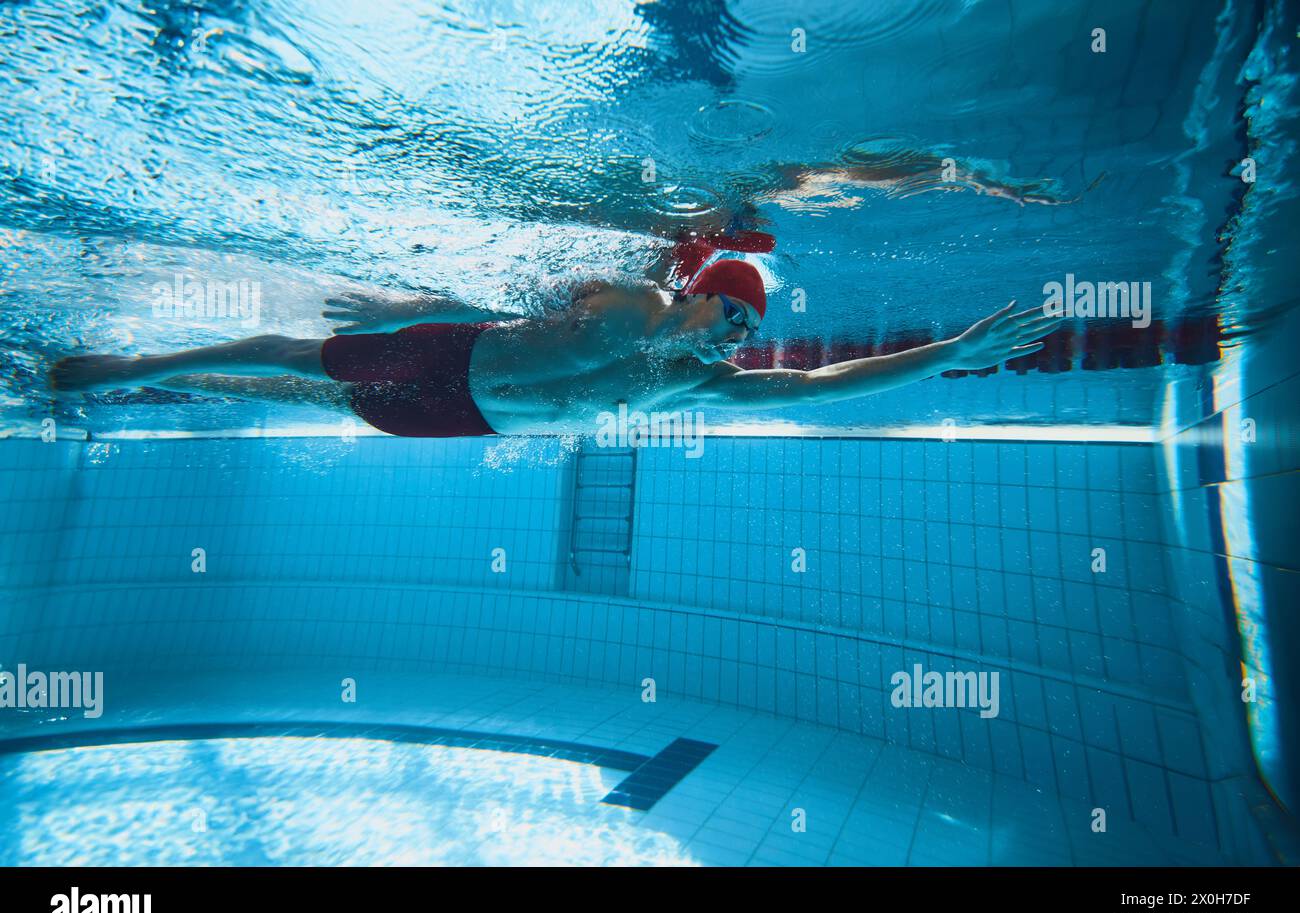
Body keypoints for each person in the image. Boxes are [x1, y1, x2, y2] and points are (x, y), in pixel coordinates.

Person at [49, 242, 1062, 437]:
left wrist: (941, 354)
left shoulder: (696, 392)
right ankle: (143, 363)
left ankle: (164, 389)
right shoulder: (631, 309)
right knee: (289, 359)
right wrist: (408, 308)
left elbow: (822, 383)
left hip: (467, 421)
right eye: (735, 315)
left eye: (752, 329)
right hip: (451, 355)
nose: (739, 340)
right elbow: (496, 284)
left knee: (321, 404)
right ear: (700, 297)